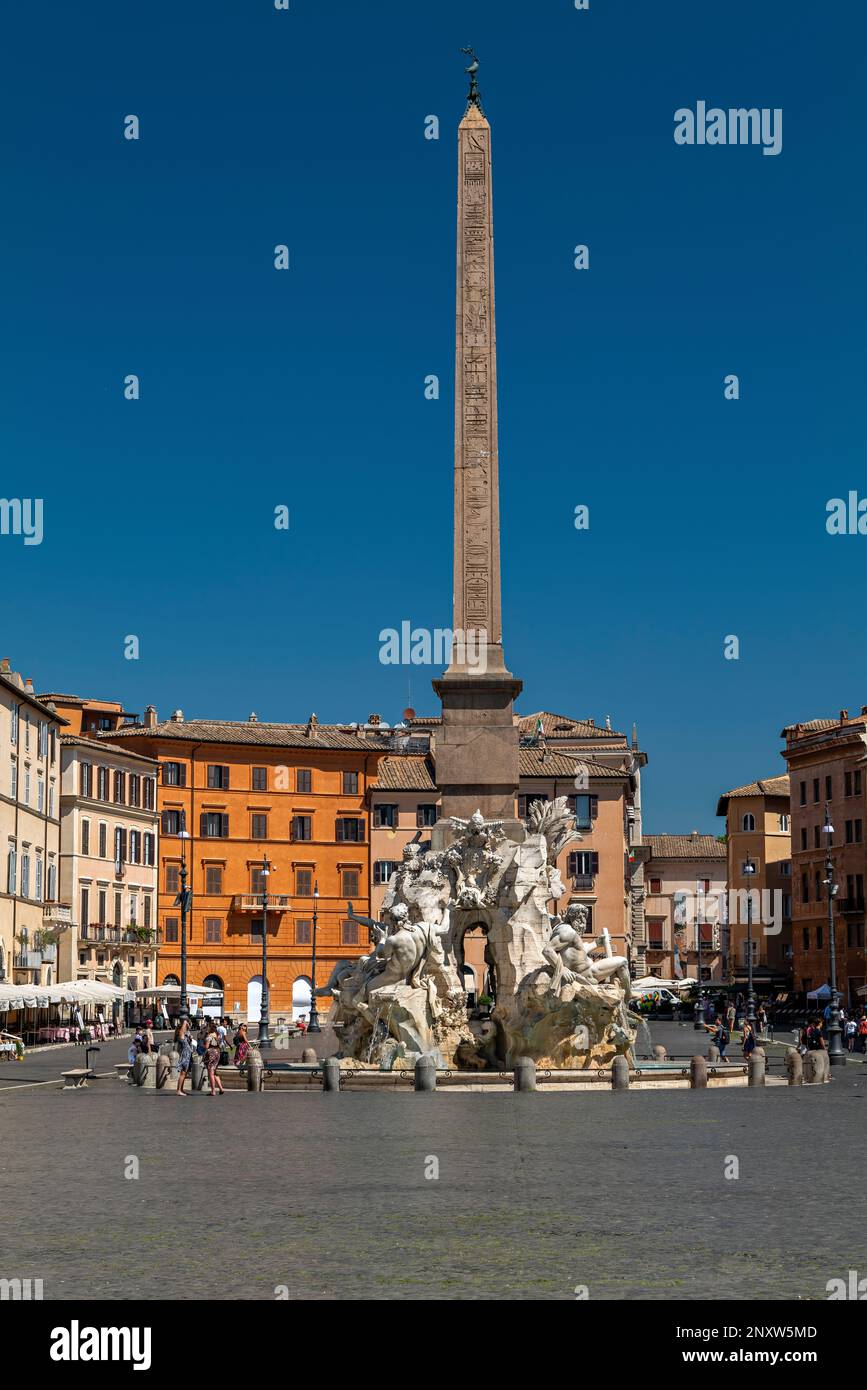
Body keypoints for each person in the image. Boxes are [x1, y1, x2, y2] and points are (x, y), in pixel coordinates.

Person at [203, 1023, 225, 1096]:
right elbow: (220, 1044)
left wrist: (203, 1044)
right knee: (215, 1072)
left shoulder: (209, 1036)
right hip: (217, 1053)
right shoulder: (217, 1035)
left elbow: (206, 1046)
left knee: (211, 1073)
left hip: (211, 1053)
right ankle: (221, 1089)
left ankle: (213, 1091)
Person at [175, 1019, 192, 1097]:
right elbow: (183, 1029)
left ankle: (181, 1089)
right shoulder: (181, 1035)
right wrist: (185, 1022)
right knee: (183, 1073)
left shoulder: (184, 1036)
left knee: (184, 1074)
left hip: (187, 1056)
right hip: (184, 1057)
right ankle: (178, 1090)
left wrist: (190, 1039)